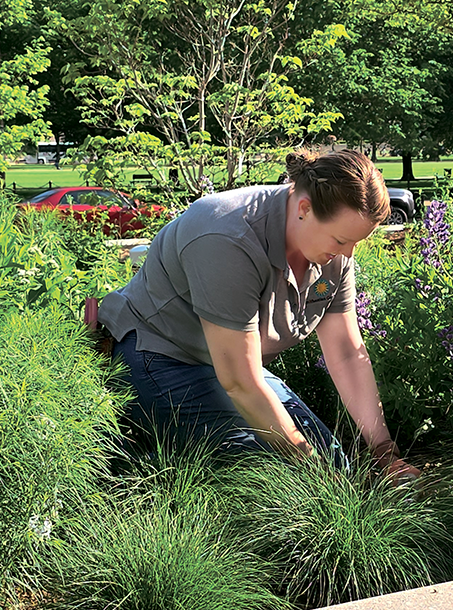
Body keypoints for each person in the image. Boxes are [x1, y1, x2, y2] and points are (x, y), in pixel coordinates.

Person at [99, 149, 419, 481]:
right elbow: (240, 381)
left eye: (356, 243)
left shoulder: (331, 250)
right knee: (279, 471)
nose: (348, 255)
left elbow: (346, 353)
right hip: (160, 356)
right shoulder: (226, 237)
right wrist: (307, 463)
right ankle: (144, 459)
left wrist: (385, 452)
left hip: (231, 366)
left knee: (335, 464)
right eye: (341, 240)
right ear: (304, 209)